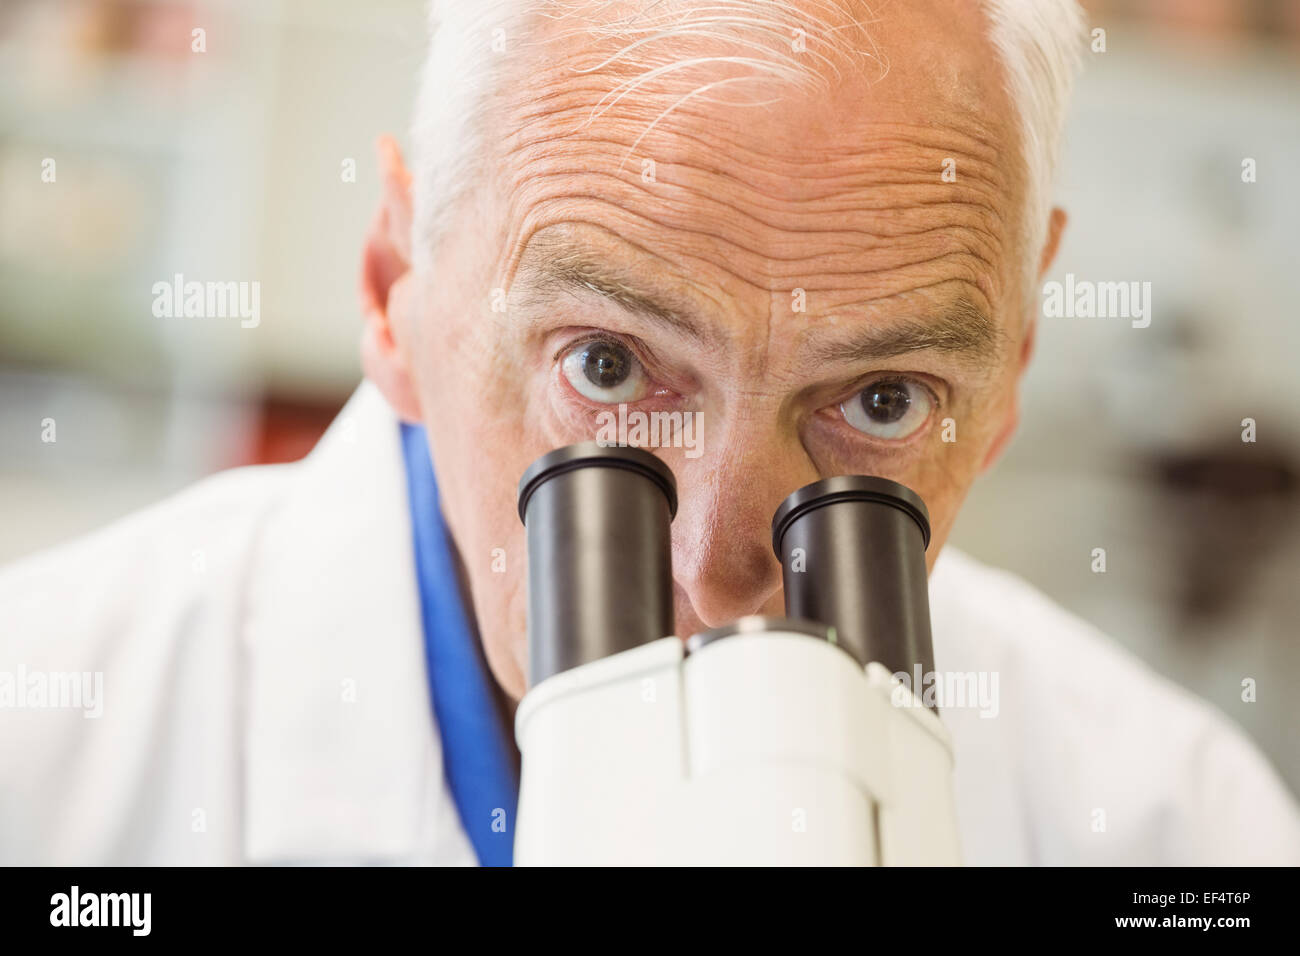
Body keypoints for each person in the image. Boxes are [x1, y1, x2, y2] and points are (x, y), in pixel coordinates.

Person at [2, 0, 1297, 866]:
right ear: (397, 288)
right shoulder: (43, 755)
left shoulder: (1169, 830)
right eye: (609, 367)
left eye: (882, 401)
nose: (717, 573)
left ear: (1012, 365)